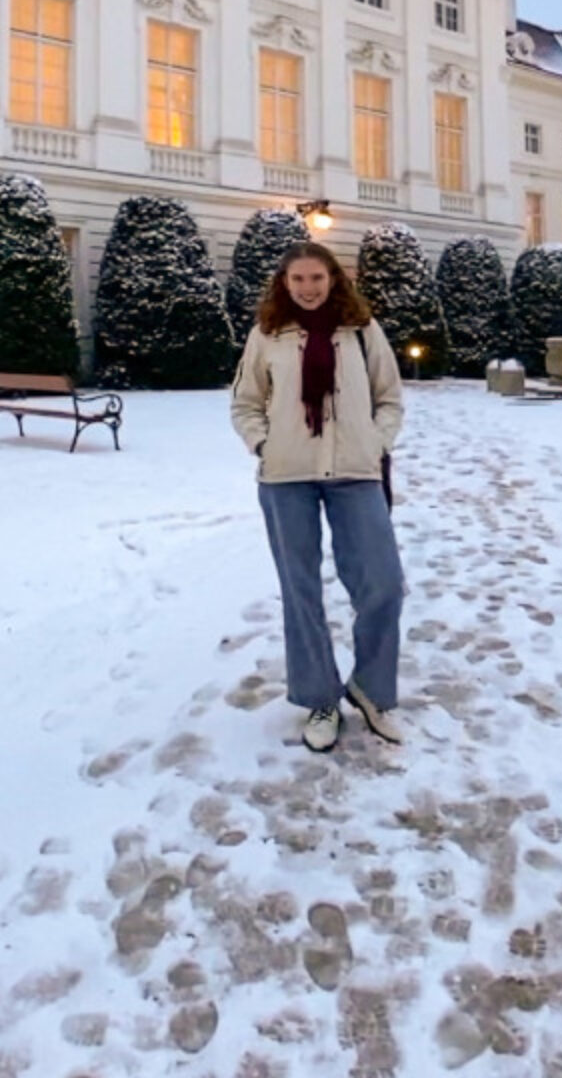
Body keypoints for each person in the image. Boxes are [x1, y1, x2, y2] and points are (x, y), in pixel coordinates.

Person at [229, 241, 406, 753]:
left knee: (383, 585)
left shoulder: (362, 331)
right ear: (284, 284)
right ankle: (320, 698)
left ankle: (370, 689)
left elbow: (389, 398)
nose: (308, 288)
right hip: (286, 477)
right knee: (300, 592)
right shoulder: (267, 335)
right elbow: (244, 403)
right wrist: (263, 443)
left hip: (355, 472)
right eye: (298, 279)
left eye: (317, 278)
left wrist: (376, 442)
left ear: (334, 279)